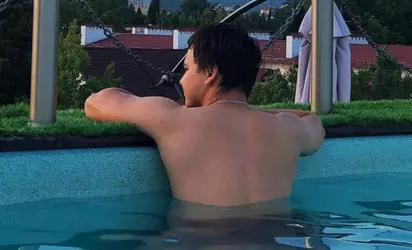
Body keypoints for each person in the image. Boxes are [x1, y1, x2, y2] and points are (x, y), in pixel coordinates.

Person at [84, 24, 325, 207]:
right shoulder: (288, 129)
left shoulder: (174, 119)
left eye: (187, 69)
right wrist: (252, 113)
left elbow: (95, 103)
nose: (182, 79)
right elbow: (312, 121)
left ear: (210, 73)